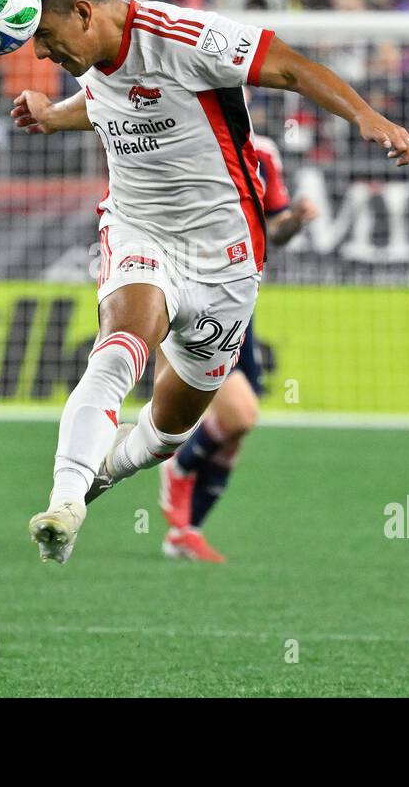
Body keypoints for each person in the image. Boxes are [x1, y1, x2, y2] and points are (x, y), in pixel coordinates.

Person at [9, 0, 409, 564]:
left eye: (44, 36)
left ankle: (99, 476)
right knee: (121, 346)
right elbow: (102, 102)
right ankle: (65, 500)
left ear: (85, 14)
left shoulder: (184, 37)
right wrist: (50, 116)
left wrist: (364, 116)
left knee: (169, 430)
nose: (40, 54)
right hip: (140, 231)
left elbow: (289, 67)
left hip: (226, 258)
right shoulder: (90, 58)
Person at [157, 133, 318, 562]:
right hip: (190, 297)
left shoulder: (261, 150)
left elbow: (277, 229)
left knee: (236, 433)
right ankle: (178, 465)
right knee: (240, 414)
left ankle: (184, 534)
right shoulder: (177, 133)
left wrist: (296, 220)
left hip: (239, 301)